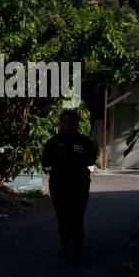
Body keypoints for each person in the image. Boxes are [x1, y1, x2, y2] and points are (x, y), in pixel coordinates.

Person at [40, 108, 98, 259]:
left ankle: (76, 250)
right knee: (63, 218)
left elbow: (91, 160)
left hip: (79, 185)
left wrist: (73, 158)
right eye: (64, 121)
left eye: (70, 121)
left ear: (76, 123)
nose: (67, 125)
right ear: (60, 123)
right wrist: (60, 157)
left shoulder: (85, 142)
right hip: (59, 185)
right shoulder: (53, 142)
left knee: (77, 218)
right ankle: (66, 248)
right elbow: (45, 161)